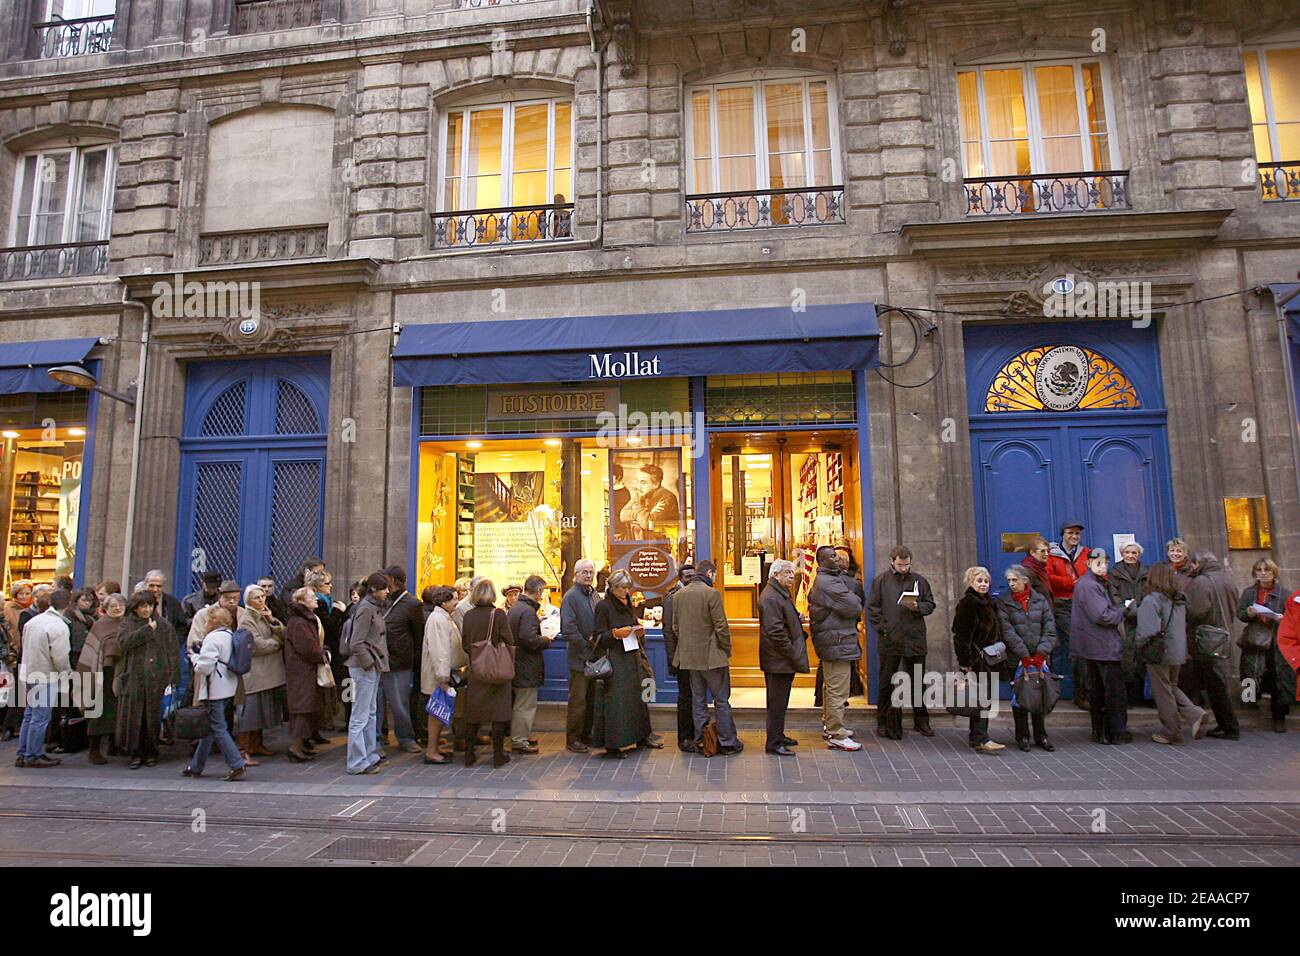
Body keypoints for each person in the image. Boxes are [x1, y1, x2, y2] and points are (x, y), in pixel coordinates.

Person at [1137, 562, 1209, 745]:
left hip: (1159, 652)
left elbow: (1147, 631)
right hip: (1178, 650)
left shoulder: (1151, 600)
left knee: (1162, 692)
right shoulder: (1178, 599)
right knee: (1172, 686)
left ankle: (1171, 731)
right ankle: (1195, 714)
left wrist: (1137, 644)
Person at [671, 561, 739, 755]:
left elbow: (675, 628)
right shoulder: (712, 594)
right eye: (715, 575)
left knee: (698, 700)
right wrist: (726, 650)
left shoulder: (679, 595)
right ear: (710, 573)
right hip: (712, 657)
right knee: (721, 700)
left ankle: (702, 740)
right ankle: (727, 742)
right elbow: (721, 627)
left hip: (690, 658)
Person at [867, 545, 933, 742]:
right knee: (887, 681)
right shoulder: (881, 581)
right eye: (900, 565)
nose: (904, 568)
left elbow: (930, 603)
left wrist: (917, 607)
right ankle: (883, 721)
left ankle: (921, 720)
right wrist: (883, 628)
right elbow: (872, 607)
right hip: (890, 638)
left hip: (914, 638)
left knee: (918, 681)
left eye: (907, 565)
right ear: (892, 561)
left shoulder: (920, 581)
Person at [592, 569, 655, 758]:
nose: (625, 591)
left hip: (632, 654)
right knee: (617, 702)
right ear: (612, 587)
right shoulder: (603, 606)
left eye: (627, 587)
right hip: (616, 658)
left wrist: (637, 630)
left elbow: (633, 622)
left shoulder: (628, 603)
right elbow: (598, 635)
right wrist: (615, 633)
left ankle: (641, 736)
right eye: (621, 588)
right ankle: (614, 744)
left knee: (639, 697)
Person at [1182, 550, 1242, 740]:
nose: (1191, 568)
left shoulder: (1201, 582)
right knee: (1217, 682)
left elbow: (1197, 611)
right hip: (1223, 634)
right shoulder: (1227, 579)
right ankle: (1225, 724)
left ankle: (1229, 727)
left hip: (1207, 638)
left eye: (1192, 564)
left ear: (1198, 563)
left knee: (1216, 685)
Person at [997, 565, 1057, 752]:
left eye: (1015, 580)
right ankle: (1022, 735)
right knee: (1020, 697)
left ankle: (1041, 735)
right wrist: (1024, 655)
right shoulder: (1004, 602)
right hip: (1018, 657)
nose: (1011, 584)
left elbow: (1049, 627)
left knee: (1038, 694)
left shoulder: (1040, 600)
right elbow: (1007, 630)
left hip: (1039, 656)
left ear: (1025, 580)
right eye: (1009, 581)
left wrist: (1041, 653)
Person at [115, 592, 178, 769]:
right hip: (134, 676)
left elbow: (172, 651)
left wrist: (172, 676)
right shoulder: (127, 624)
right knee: (134, 716)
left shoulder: (164, 625)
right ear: (135, 608)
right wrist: (146, 631)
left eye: (150, 606)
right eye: (143, 606)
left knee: (153, 717)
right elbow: (123, 643)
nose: (147, 609)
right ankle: (135, 753)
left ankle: (152, 752)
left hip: (156, 677)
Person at [183, 606, 247, 781]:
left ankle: (237, 764)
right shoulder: (229, 635)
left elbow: (205, 667)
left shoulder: (212, 638)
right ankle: (196, 766)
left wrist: (194, 658)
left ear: (212, 621)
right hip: (228, 687)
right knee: (210, 728)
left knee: (218, 728)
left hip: (214, 689)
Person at [1072, 549, 1128, 745]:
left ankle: (1102, 732)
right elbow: (1101, 616)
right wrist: (1122, 612)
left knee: (1099, 691)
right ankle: (1114, 732)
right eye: (1098, 562)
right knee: (1111, 692)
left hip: (1096, 646)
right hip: (1102, 646)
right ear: (1089, 564)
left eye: (1105, 562)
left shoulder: (1092, 583)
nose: (1103, 566)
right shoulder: (1089, 585)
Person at [460, 578, 515, 767]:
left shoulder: (468, 616)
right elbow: (508, 639)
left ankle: (469, 754)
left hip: (477, 668)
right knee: (499, 712)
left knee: (474, 711)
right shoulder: (498, 614)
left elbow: (465, 643)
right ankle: (497, 755)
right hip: (497, 669)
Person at [14, 589, 72, 769]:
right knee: (40, 718)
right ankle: (33, 755)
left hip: (29, 672)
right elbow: (60, 656)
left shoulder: (34, 621)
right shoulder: (59, 626)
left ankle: (23, 753)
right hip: (45, 675)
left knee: (29, 715)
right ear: (67, 604)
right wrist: (67, 672)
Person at [951, 567, 1006, 753]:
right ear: (970, 582)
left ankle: (977, 737)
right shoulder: (968, 604)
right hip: (977, 660)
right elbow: (961, 636)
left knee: (983, 699)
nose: (983, 584)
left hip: (990, 658)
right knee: (983, 699)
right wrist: (965, 663)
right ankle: (982, 738)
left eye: (985, 581)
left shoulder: (989, 602)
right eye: (979, 581)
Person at [758, 558, 807, 756]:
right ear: (775, 575)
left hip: (781, 658)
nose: (791, 576)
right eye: (787, 573)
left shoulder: (779, 594)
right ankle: (774, 743)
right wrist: (791, 652)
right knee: (777, 702)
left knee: (781, 700)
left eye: (791, 572)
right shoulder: (771, 597)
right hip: (778, 659)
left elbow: (781, 621)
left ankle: (778, 735)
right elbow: (775, 631)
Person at [344, 572, 391, 775]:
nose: (387, 591)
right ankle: (356, 761)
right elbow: (356, 642)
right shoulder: (365, 608)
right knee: (360, 715)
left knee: (370, 713)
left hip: (372, 665)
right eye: (384, 588)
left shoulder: (372, 607)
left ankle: (369, 755)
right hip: (364, 667)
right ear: (373, 589)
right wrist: (368, 663)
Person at [234, 584, 286, 763]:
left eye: (263, 596)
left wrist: (272, 621)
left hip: (268, 672)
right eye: (257, 597)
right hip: (256, 672)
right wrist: (277, 643)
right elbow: (256, 645)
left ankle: (257, 744)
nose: (261, 600)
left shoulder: (265, 614)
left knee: (262, 711)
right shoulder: (247, 618)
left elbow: (283, 632)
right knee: (250, 713)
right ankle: (243, 749)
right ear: (248, 600)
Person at [1237, 558, 1289, 731]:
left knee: (1277, 677)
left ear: (1274, 573)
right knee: (1249, 673)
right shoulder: (1249, 592)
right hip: (1254, 638)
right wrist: (1249, 613)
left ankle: (1279, 717)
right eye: (1259, 570)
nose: (1263, 573)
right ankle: (1250, 703)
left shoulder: (1284, 593)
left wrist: (1283, 618)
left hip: (1275, 642)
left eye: (1267, 570)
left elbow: (1293, 617)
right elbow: (1240, 614)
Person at [377, 565, 424, 755]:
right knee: (377, 702)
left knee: (399, 703)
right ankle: (378, 738)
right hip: (379, 660)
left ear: (394, 581)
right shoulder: (381, 601)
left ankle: (406, 737)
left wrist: (413, 658)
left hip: (399, 661)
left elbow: (418, 635)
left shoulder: (412, 604)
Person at [1046, 520, 1090, 709]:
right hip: (1062, 605)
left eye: (1077, 534)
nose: (1074, 537)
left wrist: (1079, 582)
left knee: (1088, 649)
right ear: (1063, 534)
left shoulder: (1086, 553)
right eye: (1070, 533)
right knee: (1076, 647)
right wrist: (1072, 582)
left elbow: (1095, 574)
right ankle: (1080, 694)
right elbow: (1049, 578)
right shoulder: (1051, 555)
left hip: (1085, 605)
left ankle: (1088, 692)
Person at [420, 586, 465, 764]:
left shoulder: (444, 617)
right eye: (454, 599)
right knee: (436, 713)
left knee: (439, 712)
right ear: (444, 602)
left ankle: (435, 747)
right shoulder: (438, 619)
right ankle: (431, 751)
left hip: (442, 673)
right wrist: (443, 677)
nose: (457, 602)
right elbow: (440, 651)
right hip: (438, 676)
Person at [508, 575, 552, 755]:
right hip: (526, 664)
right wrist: (545, 640)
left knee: (521, 702)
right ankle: (519, 740)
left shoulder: (516, 607)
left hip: (517, 662)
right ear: (539, 591)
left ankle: (521, 735)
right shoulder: (527, 611)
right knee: (525, 703)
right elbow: (528, 638)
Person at [79, 592, 125, 764]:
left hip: (121, 673)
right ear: (105, 609)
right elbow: (94, 651)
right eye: (113, 606)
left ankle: (115, 745)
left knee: (118, 710)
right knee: (98, 712)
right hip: (102, 675)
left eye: (120, 605)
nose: (117, 609)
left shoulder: (127, 624)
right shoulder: (100, 626)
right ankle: (94, 750)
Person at [283, 587, 326, 762]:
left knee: (305, 709)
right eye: (312, 597)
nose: (316, 599)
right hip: (302, 671)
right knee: (302, 709)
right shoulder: (300, 622)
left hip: (304, 670)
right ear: (301, 601)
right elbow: (307, 647)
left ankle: (300, 745)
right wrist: (322, 654)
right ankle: (296, 747)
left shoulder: (302, 620)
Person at [560, 559, 599, 753]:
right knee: (578, 700)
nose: (589, 576)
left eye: (591, 572)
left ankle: (586, 734)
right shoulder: (571, 597)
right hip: (579, 658)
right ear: (576, 574)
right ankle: (573, 738)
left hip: (594, 657)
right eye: (585, 572)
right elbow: (568, 629)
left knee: (591, 699)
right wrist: (586, 645)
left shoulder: (593, 595)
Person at [1106, 542, 1149, 706]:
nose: (1131, 555)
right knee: (1125, 657)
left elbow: (1149, 593)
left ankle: (1141, 696)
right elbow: (1113, 595)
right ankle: (1126, 698)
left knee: (1141, 656)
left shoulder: (1146, 572)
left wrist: (1142, 612)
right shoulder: (1115, 573)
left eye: (1134, 553)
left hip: (1143, 620)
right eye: (1127, 552)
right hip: (1123, 620)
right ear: (1122, 554)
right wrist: (1127, 611)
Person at [661, 563, 697, 752]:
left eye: (693, 576)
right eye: (687, 577)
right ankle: (684, 737)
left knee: (694, 696)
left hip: (696, 655)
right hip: (681, 655)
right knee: (685, 697)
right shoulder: (672, 597)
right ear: (680, 578)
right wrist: (672, 659)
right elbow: (667, 631)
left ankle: (695, 734)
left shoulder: (695, 594)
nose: (691, 580)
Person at [308, 568, 348, 732]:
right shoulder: (320, 603)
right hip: (326, 650)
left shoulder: (328, 601)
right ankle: (328, 719)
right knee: (330, 685)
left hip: (332, 649)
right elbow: (329, 625)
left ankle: (330, 718)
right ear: (317, 587)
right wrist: (340, 611)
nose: (331, 586)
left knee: (337, 685)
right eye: (327, 583)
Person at [1020, 537, 1054, 603]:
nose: (1047, 554)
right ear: (1032, 552)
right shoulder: (1028, 571)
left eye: (1048, 551)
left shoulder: (1040, 568)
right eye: (1042, 551)